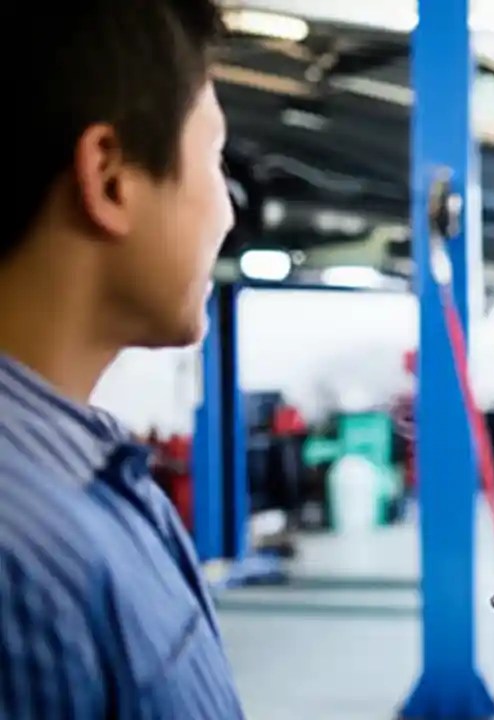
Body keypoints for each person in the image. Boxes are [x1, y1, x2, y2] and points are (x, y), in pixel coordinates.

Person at [0, 1, 243, 717]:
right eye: (214, 159)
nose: (228, 212)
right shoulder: (27, 554)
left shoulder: (95, 470)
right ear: (109, 177)